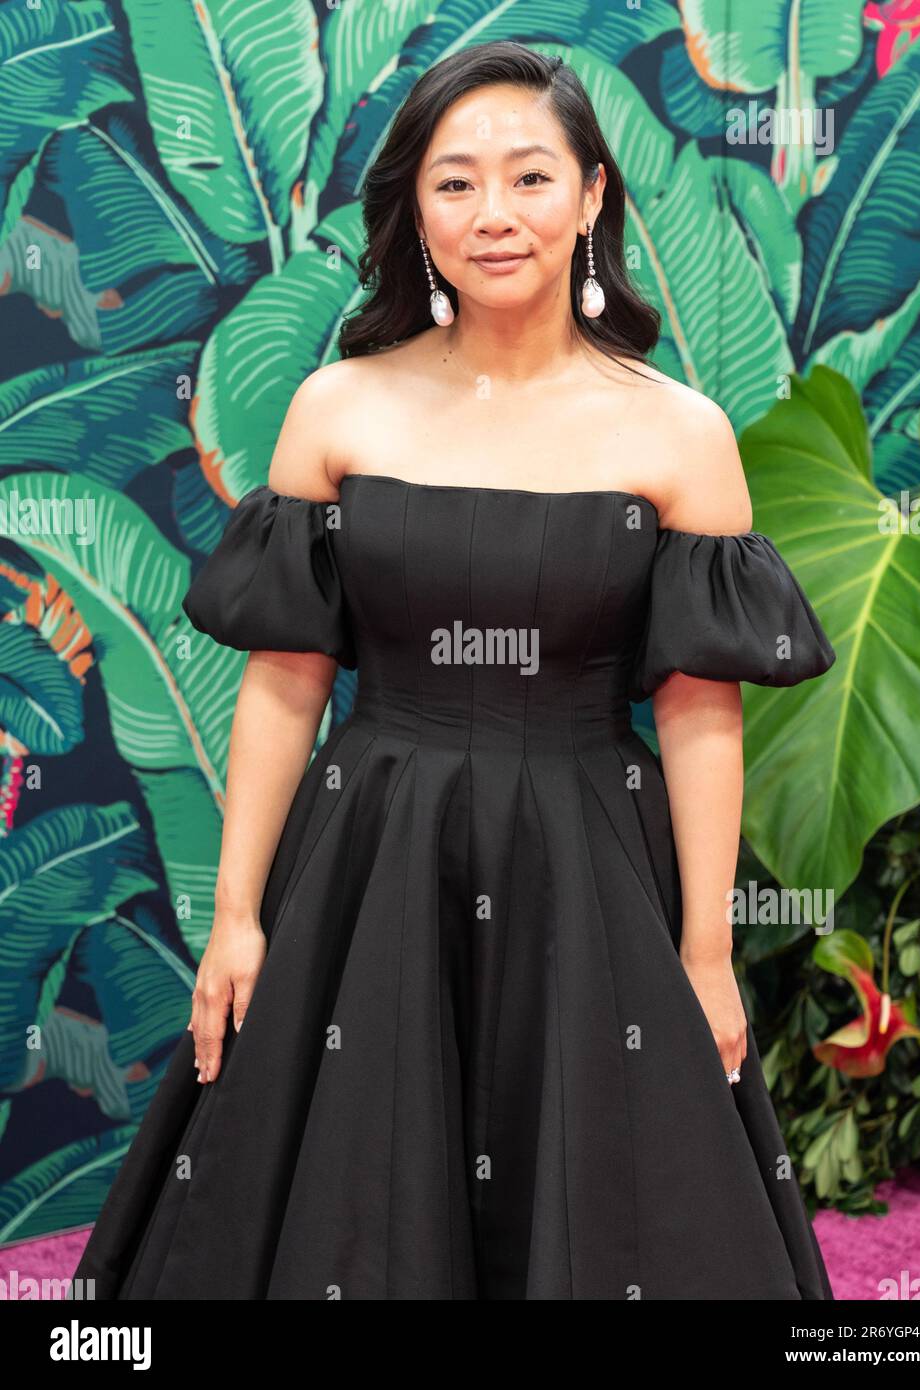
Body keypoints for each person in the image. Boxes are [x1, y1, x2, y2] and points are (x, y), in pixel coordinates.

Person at [71, 42, 836, 1300]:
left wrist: (705, 952)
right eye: (455, 183)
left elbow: (703, 706)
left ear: (592, 197)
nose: (493, 216)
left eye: (530, 178)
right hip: (372, 851)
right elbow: (286, 680)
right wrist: (236, 915)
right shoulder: (335, 407)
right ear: (414, 212)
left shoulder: (678, 432)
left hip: (591, 858)